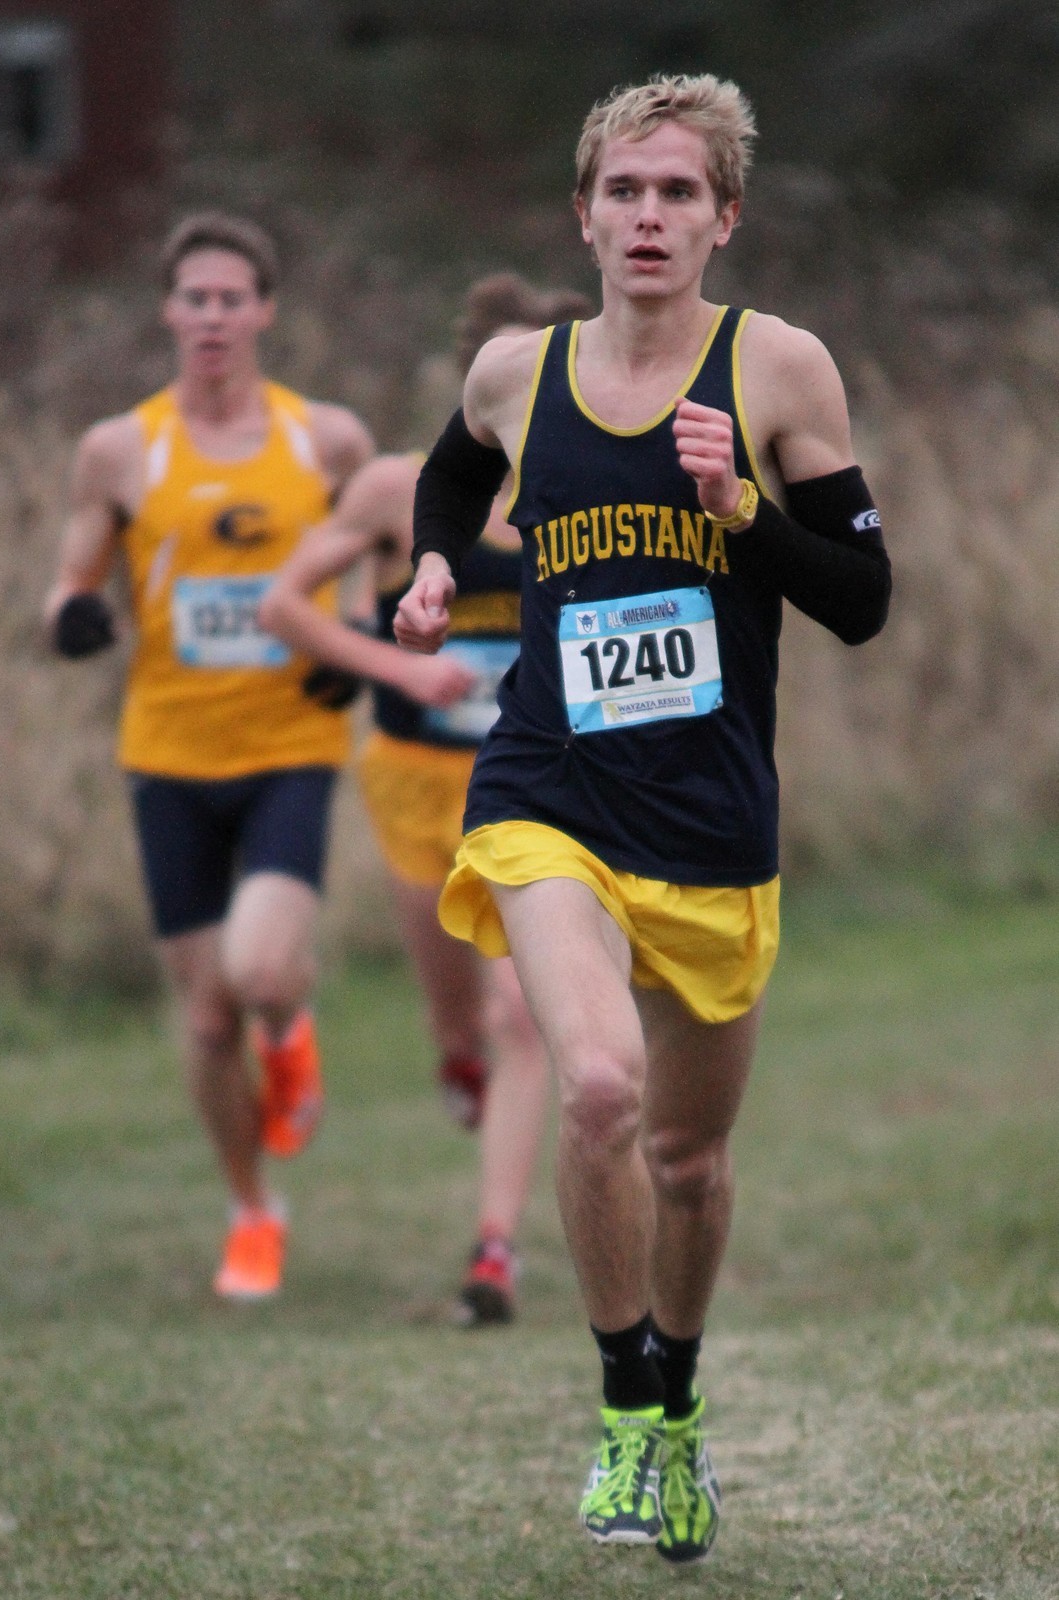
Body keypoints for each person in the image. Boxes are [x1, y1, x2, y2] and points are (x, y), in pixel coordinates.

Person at [394, 74, 891, 1560]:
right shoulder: (514, 372)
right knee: (595, 1087)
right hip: (546, 790)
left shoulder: (777, 369)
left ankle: (675, 1399)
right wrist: (434, 569)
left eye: (678, 192)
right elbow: (449, 477)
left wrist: (742, 513)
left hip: (711, 820)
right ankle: (623, 1411)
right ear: (583, 214)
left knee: (683, 1161)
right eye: (624, 190)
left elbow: (861, 600)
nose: (649, 215)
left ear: (723, 219)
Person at [44, 212, 376, 1302]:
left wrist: (355, 637)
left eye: (233, 297)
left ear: (265, 311)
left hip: (289, 742)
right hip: (169, 752)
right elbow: (70, 582)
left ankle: (291, 1028)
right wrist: (74, 617)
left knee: (261, 969)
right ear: (169, 310)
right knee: (201, 1015)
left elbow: (374, 548)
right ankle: (252, 1211)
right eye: (196, 297)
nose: (214, 316)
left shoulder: (323, 439)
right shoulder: (120, 449)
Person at [260, 274, 592, 1324]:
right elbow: (283, 604)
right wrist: (395, 666)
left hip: (533, 786)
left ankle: (493, 1253)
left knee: (518, 1015)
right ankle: (454, 1053)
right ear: (474, 379)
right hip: (414, 784)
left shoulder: (589, 492)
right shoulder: (395, 489)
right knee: (463, 1021)